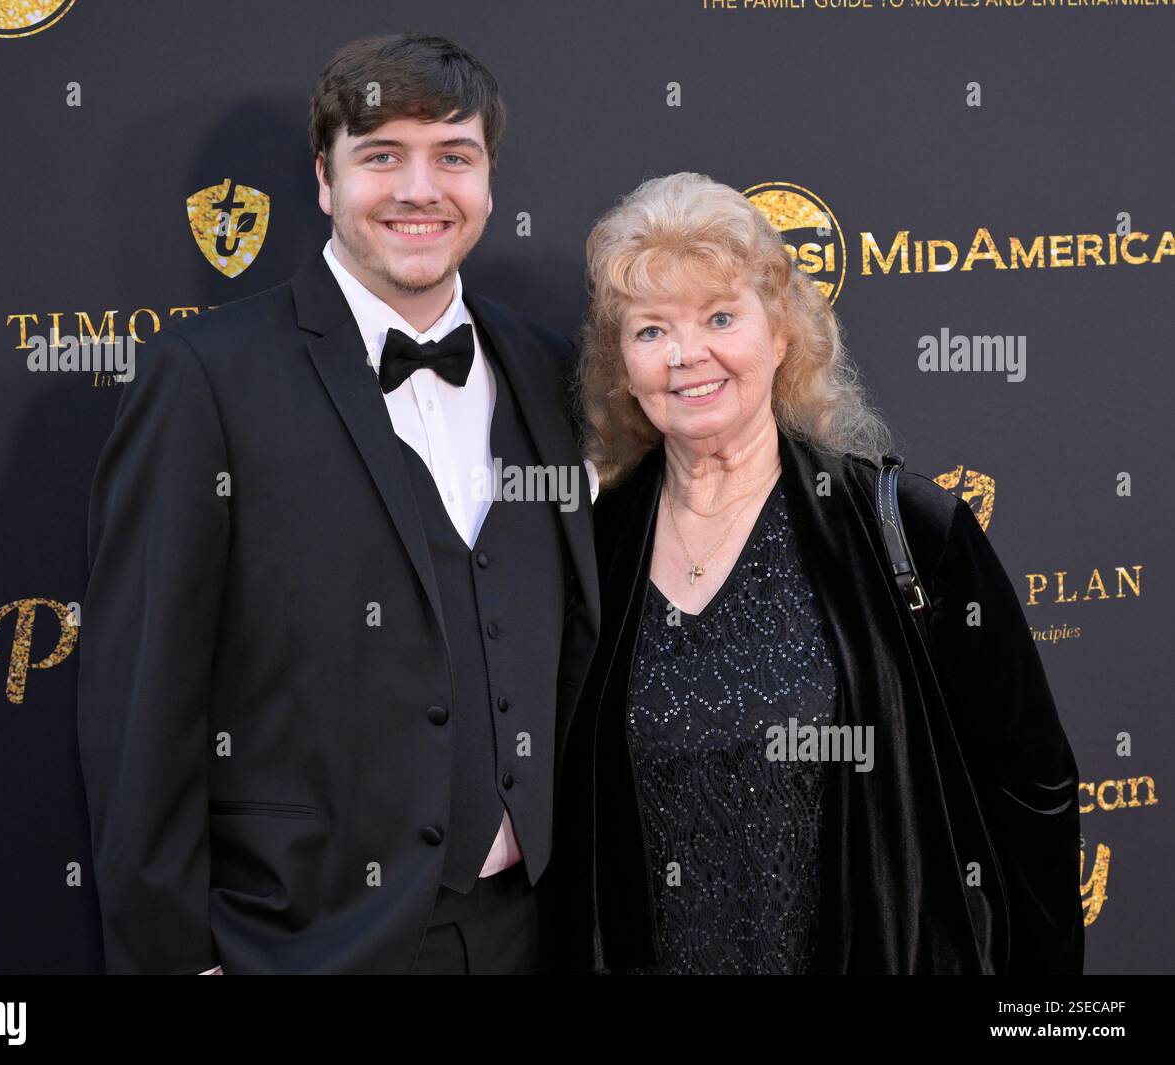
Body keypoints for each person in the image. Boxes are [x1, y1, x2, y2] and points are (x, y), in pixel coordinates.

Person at [77, 32, 598, 974]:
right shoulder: (205, 379)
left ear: (487, 181)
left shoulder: (551, 371)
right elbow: (141, 705)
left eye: (453, 156)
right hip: (300, 943)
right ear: (324, 179)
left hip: (530, 933)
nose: (419, 190)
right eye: (381, 155)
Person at [552, 171, 1085, 974]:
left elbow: (1032, 792)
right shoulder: (592, 551)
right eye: (650, 330)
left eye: (720, 317)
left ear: (783, 334)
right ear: (621, 364)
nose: (686, 355)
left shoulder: (907, 528)